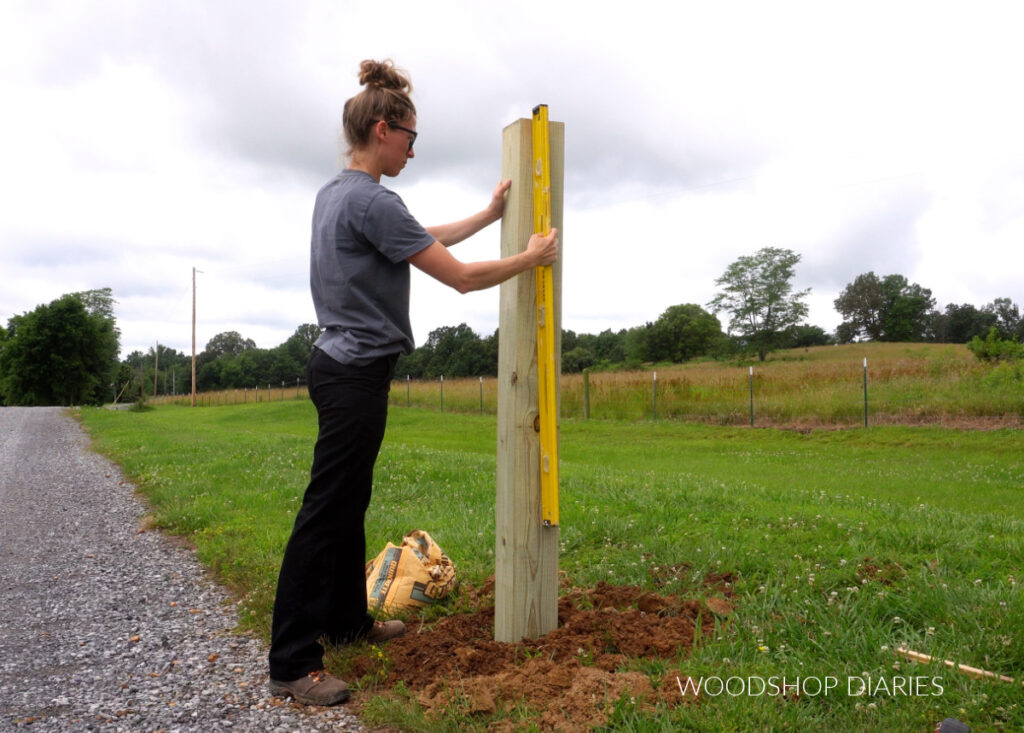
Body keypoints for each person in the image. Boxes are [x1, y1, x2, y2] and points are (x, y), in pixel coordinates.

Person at [267, 59, 558, 706]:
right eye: (410, 136)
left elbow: (419, 239)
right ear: (381, 129)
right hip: (354, 375)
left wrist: (487, 216)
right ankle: (292, 659)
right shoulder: (372, 199)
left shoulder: (337, 194)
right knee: (325, 513)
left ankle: (346, 621)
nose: (414, 148)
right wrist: (530, 257)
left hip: (338, 366)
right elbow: (457, 277)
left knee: (348, 505)